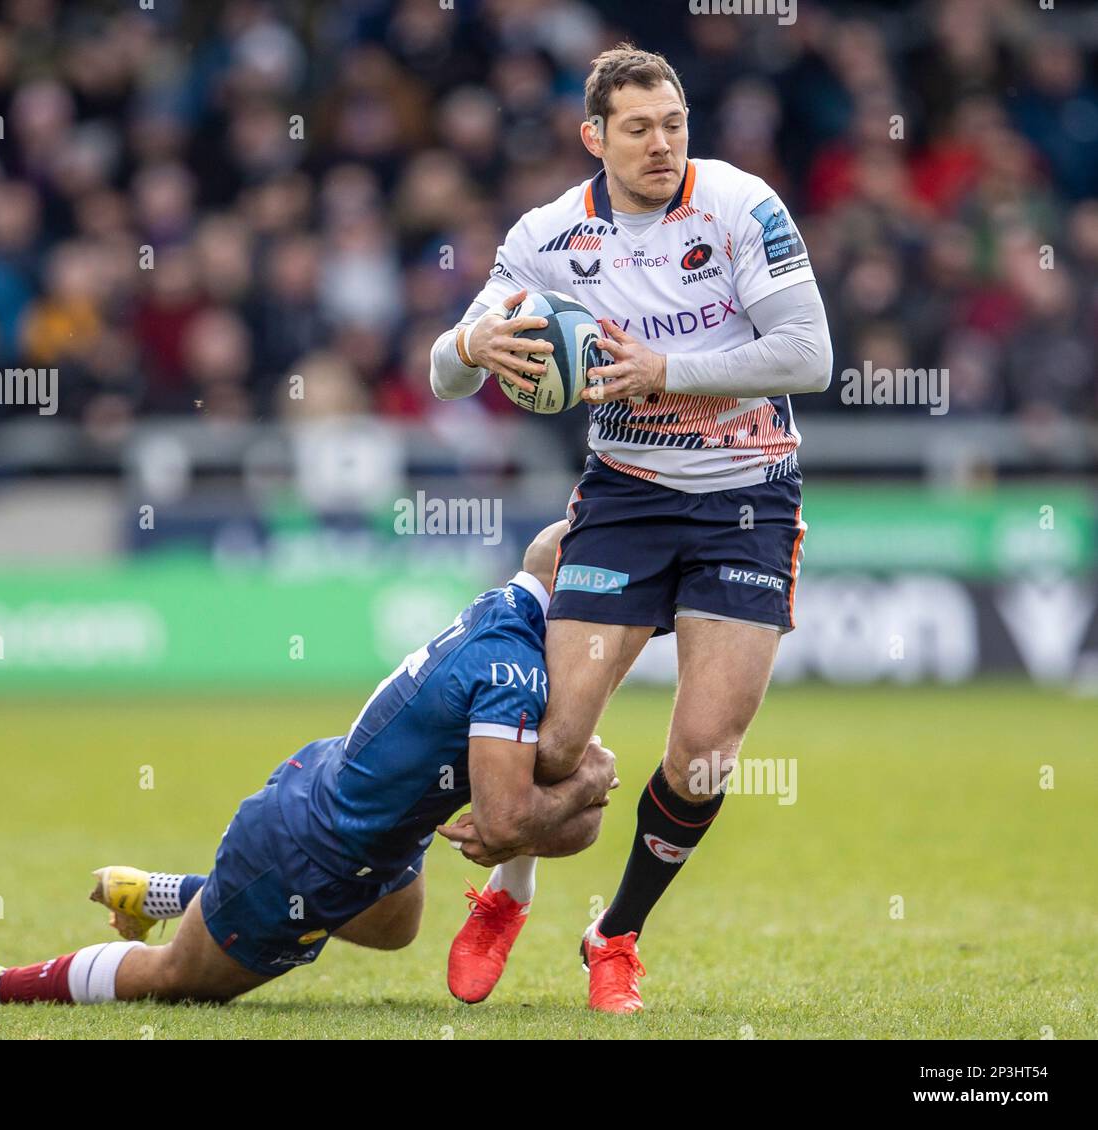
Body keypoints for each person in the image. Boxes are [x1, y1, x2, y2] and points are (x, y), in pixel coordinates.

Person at [432, 44, 832, 1013]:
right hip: (627, 496)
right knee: (559, 742)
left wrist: (667, 372)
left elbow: (810, 355)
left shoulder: (740, 205)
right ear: (593, 137)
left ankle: (615, 934)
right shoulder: (548, 237)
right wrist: (468, 344)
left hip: (746, 496)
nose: (662, 144)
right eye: (639, 128)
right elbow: (446, 370)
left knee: (701, 752)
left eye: (675, 123)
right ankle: (509, 890)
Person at [0, 521, 619, 1006]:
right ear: (563, 580)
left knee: (397, 924)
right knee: (174, 980)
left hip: (351, 814)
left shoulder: (505, 611)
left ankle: (171, 892)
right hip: (305, 850)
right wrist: (589, 779)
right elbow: (503, 827)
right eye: (603, 592)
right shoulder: (513, 666)